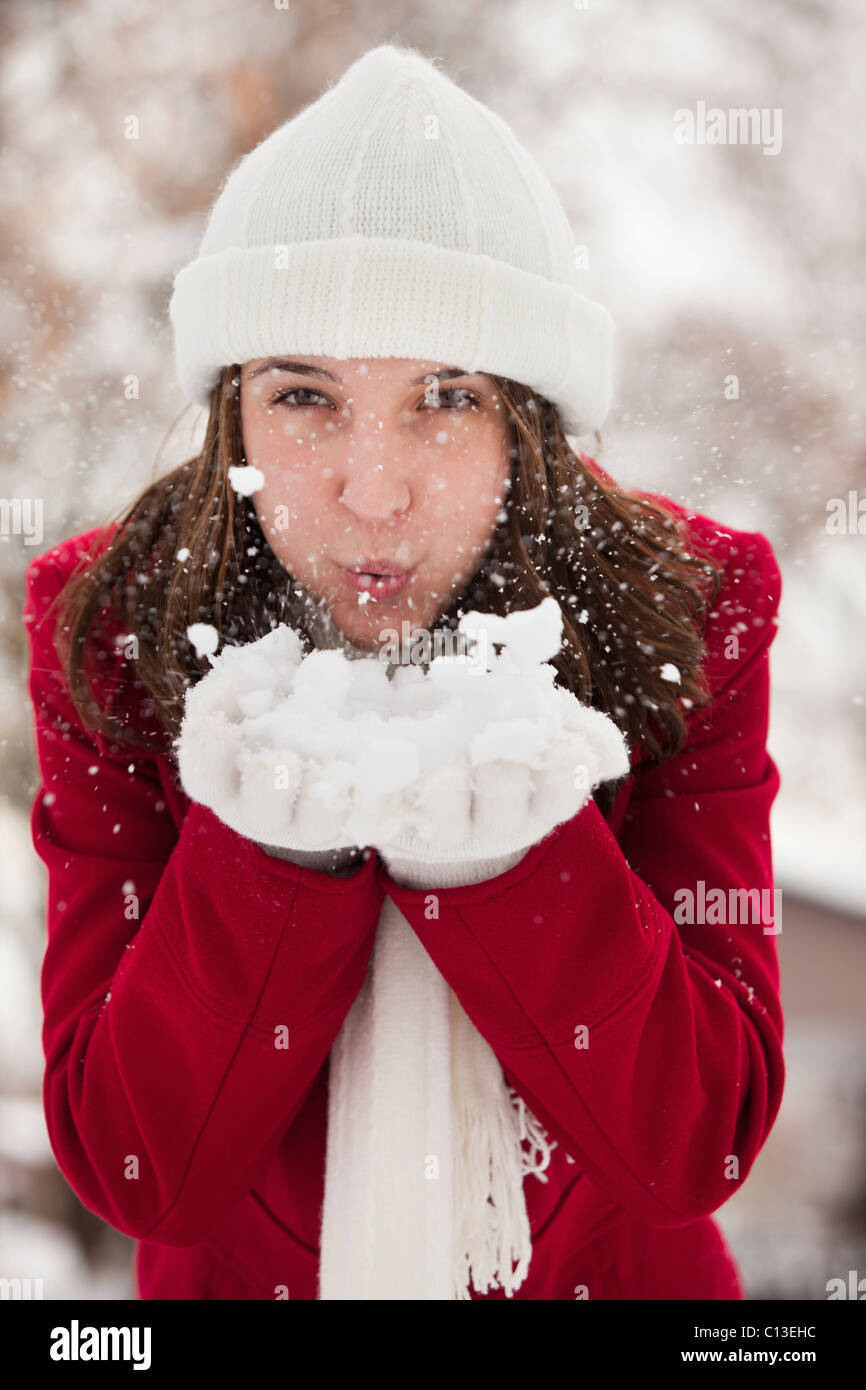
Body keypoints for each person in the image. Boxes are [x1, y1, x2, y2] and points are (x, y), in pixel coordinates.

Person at [24, 42, 784, 1301]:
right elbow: (140, 1169)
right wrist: (270, 865)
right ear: (231, 411)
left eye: (444, 395)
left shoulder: (690, 609)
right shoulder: (116, 626)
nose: (370, 493)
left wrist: (514, 867)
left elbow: (690, 1143)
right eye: (305, 395)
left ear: (525, 419)